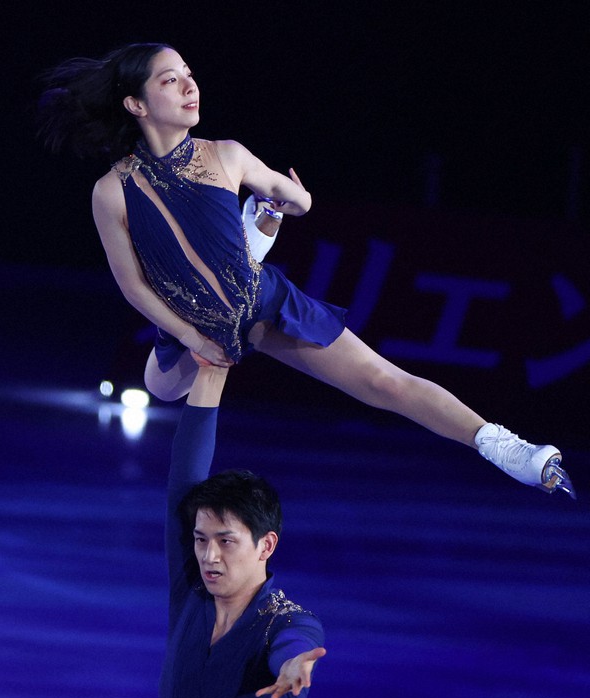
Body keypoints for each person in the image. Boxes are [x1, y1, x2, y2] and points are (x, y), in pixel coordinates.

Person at [38, 42, 575, 498]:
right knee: (161, 388)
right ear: (136, 103)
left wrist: (286, 200)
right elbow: (131, 284)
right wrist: (187, 333)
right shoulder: (112, 191)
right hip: (188, 323)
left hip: (264, 304)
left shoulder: (227, 154)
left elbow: (299, 200)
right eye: (170, 79)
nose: (189, 86)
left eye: (190, 75)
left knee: (382, 381)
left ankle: (509, 449)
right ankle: (244, 254)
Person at [154, 360, 325, 698]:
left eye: (226, 542)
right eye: (200, 539)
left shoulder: (285, 621)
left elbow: (296, 646)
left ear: (266, 546)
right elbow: (184, 479)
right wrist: (211, 371)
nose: (209, 556)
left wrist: (293, 665)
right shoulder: (192, 588)